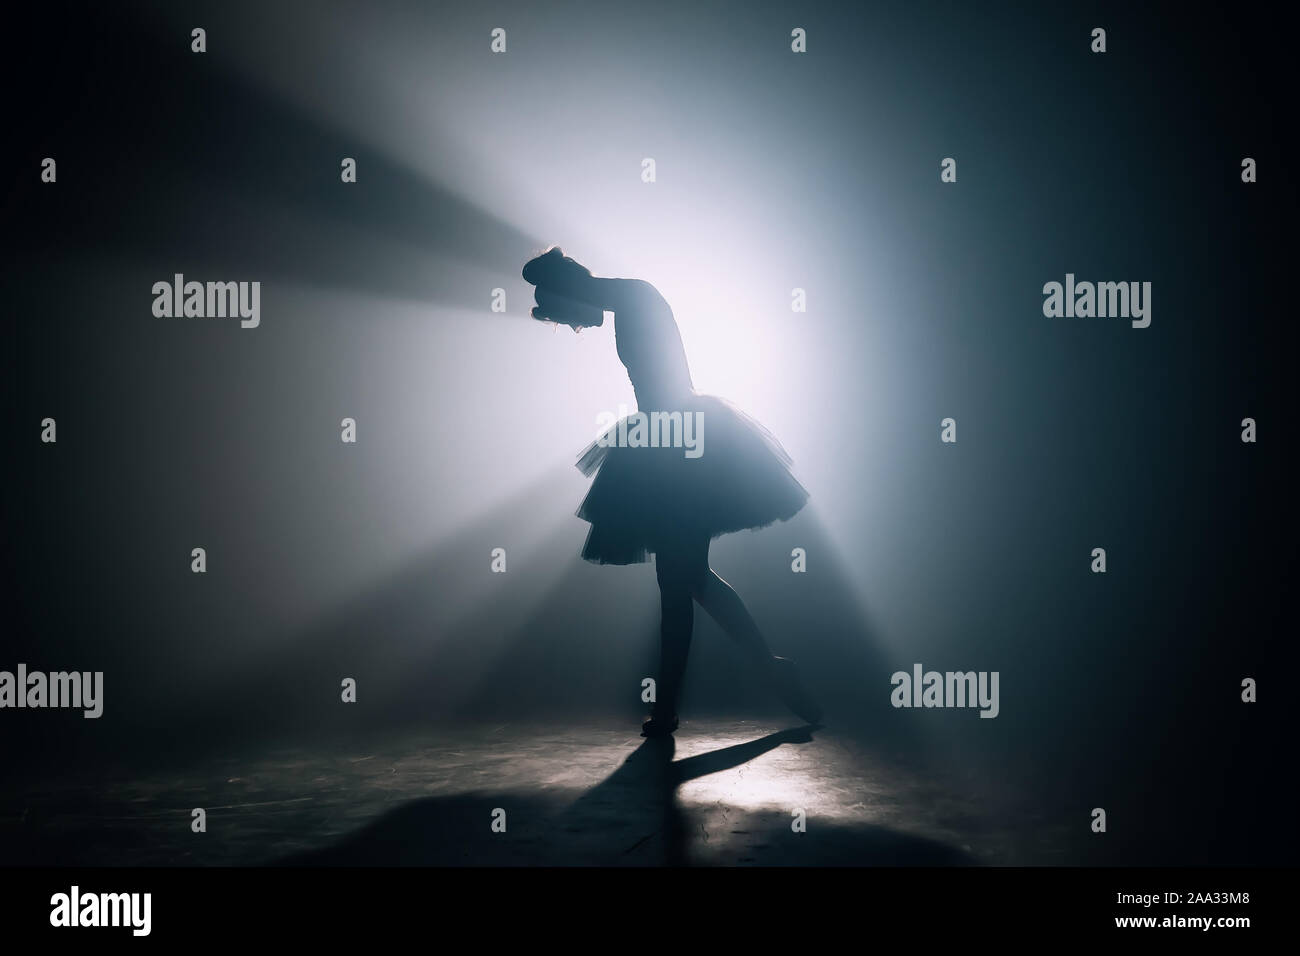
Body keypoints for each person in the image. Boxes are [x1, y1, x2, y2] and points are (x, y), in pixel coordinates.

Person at [523, 247, 822, 736]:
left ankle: (670, 708)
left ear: (571, 289)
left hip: (679, 449)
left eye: (568, 315)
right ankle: (768, 667)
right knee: (690, 578)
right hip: (670, 445)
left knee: (678, 582)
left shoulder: (632, 296)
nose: (579, 325)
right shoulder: (627, 299)